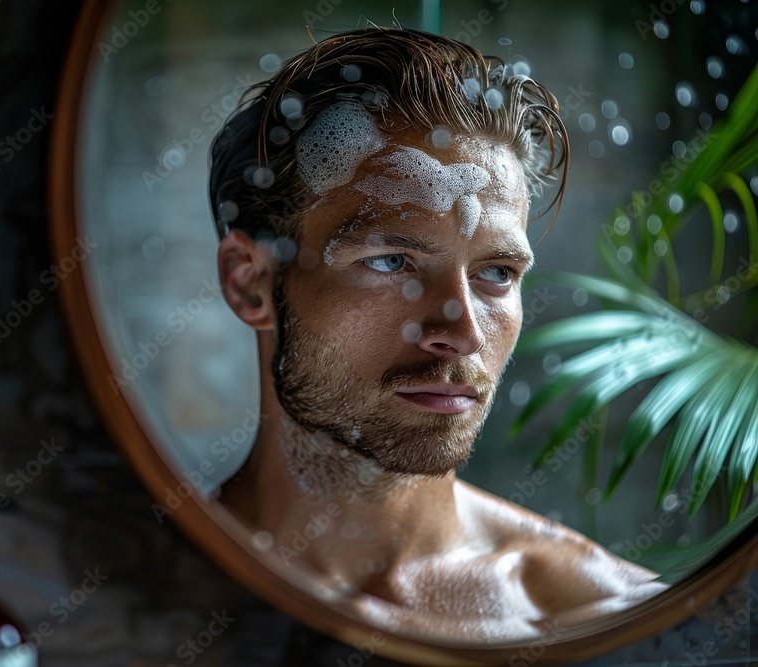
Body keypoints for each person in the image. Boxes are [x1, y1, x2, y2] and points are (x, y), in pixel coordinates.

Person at [207, 28, 665, 641]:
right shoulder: (131, 609)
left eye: (497, 273)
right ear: (251, 283)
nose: (463, 332)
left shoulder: (607, 616)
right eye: (392, 262)